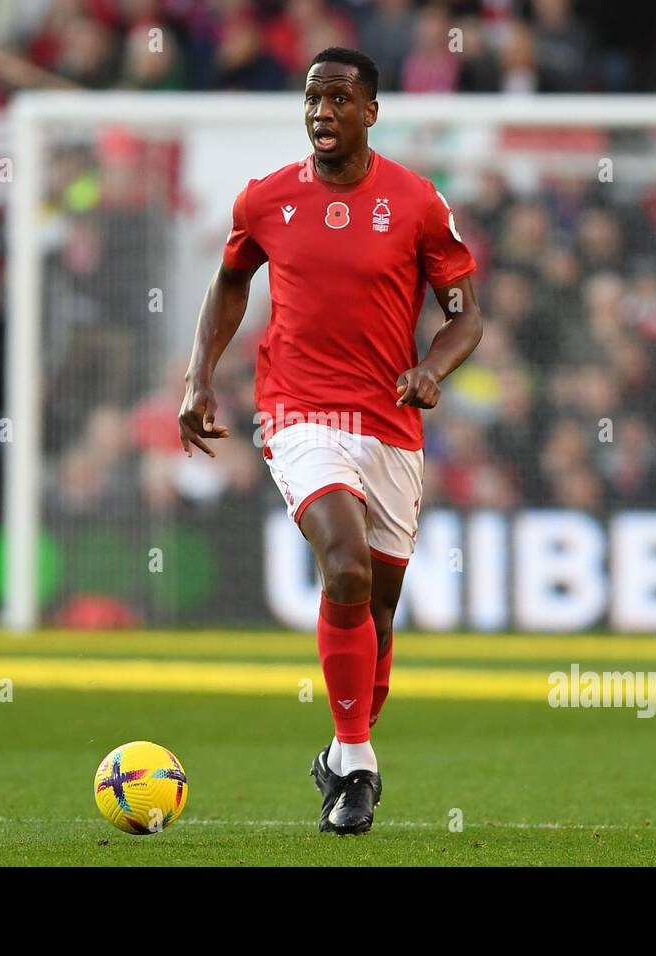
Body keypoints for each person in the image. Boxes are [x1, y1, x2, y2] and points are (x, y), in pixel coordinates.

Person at [177, 47, 482, 835]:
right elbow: (233, 280)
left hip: (389, 423)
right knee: (342, 565)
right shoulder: (266, 199)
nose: (322, 111)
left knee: (378, 614)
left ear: (371, 112)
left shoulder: (416, 203)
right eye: (313, 98)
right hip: (299, 413)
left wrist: (432, 368)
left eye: (340, 98)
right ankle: (360, 760)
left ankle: (345, 757)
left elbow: (465, 313)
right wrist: (199, 375)